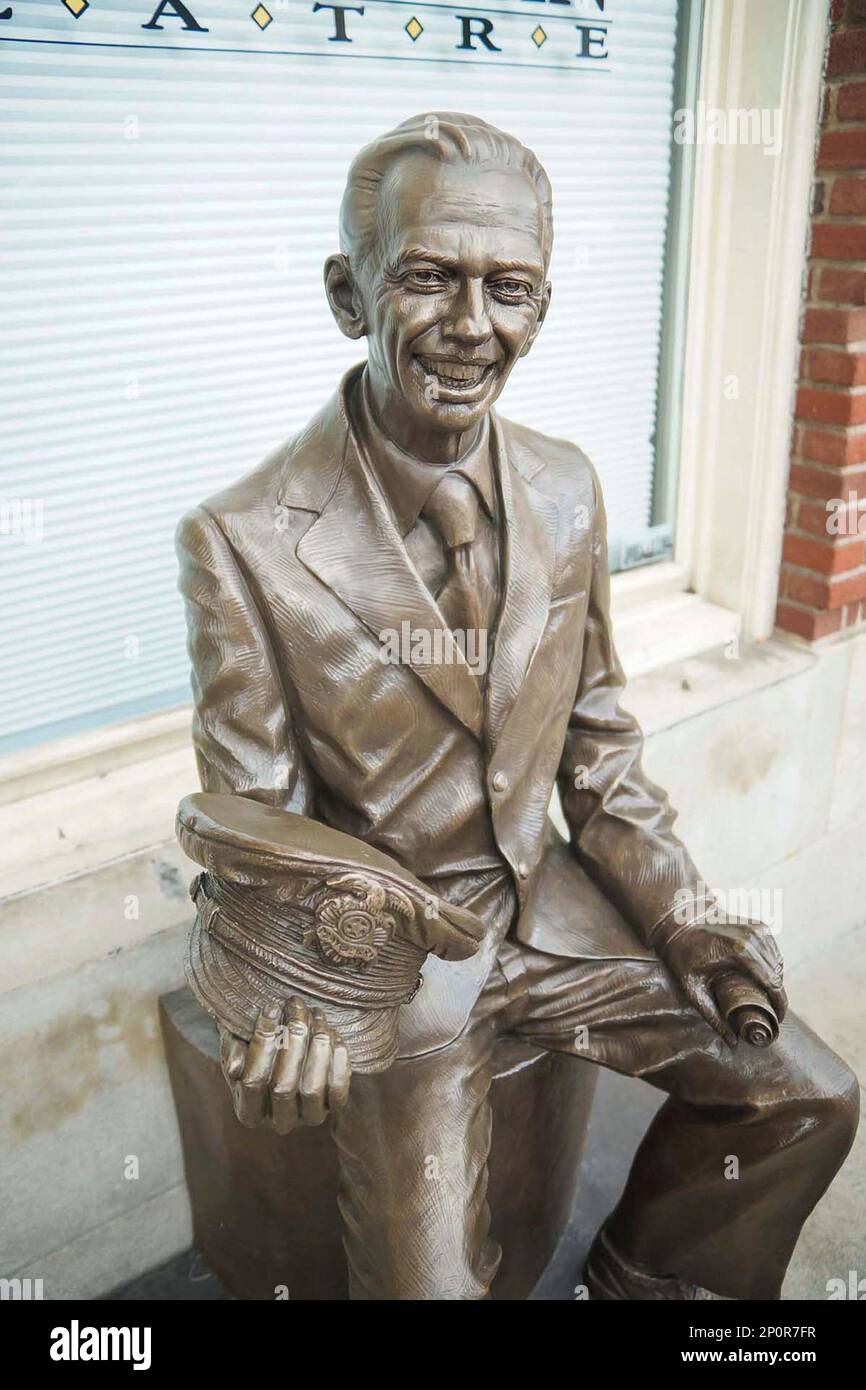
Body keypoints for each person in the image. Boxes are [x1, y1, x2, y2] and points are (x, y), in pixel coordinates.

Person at [176, 112, 858, 1300]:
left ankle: (644, 1282)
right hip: (388, 973)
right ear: (348, 293)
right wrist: (282, 1002)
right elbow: (259, 833)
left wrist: (689, 919)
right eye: (428, 278)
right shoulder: (240, 540)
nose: (472, 326)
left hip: (549, 910)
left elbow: (597, 753)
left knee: (807, 1095)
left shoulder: (566, 485)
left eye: (511, 288)